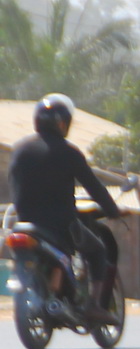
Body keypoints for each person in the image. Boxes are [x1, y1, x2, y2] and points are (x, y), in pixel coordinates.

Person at [7, 94, 122, 313]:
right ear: (63, 123)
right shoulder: (69, 152)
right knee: (98, 250)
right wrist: (112, 210)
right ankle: (95, 306)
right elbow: (94, 187)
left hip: (24, 225)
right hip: (61, 226)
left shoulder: (19, 150)